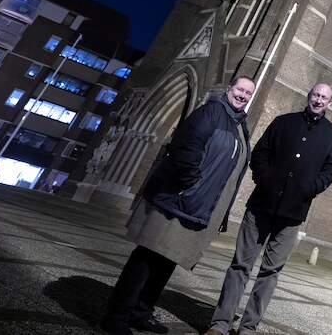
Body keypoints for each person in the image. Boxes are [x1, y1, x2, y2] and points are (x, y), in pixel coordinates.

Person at [100, 77, 256, 335]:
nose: (243, 95)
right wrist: (189, 184)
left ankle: (141, 311)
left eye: (248, 93)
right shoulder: (211, 112)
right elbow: (186, 147)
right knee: (147, 256)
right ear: (229, 89)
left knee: (167, 260)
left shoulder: (238, 123)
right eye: (240, 89)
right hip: (177, 200)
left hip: (195, 207)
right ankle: (116, 314)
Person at [204, 83, 332, 335]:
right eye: (316, 95)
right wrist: (264, 179)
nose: (319, 100)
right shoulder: (283, 122)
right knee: (240, 266)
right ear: (308, 96)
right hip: (261, 206)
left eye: (324, 97)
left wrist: (310, 188)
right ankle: (220, 324)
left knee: (270, 272)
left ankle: (248, 327)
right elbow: (260, 152)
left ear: (330, 103)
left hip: (292, 214)